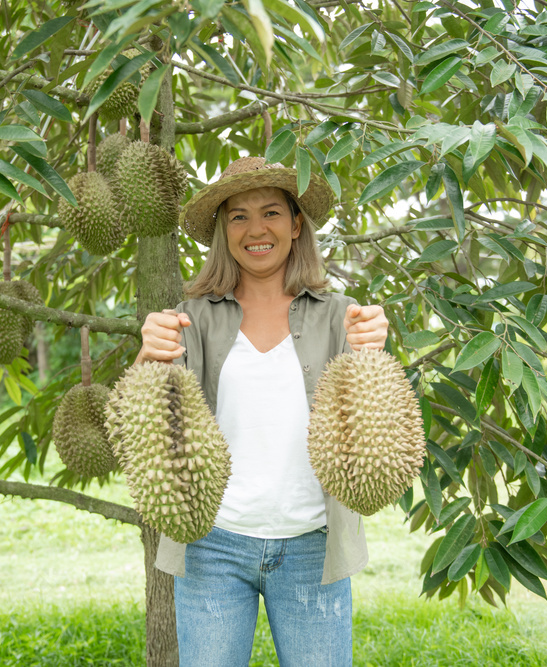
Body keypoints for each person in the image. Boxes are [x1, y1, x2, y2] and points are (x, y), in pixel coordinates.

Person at [133, 156, 389, 666]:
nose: (256, 229)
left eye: (271, 212)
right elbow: (154, 417)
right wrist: (147, 353)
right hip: (213, 545)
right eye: (238, 216)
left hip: (311, 545)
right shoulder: (190, 320)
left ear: (296, 225)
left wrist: (373, 345)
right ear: (223, 233)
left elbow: (372, 415)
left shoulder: (341, 315)